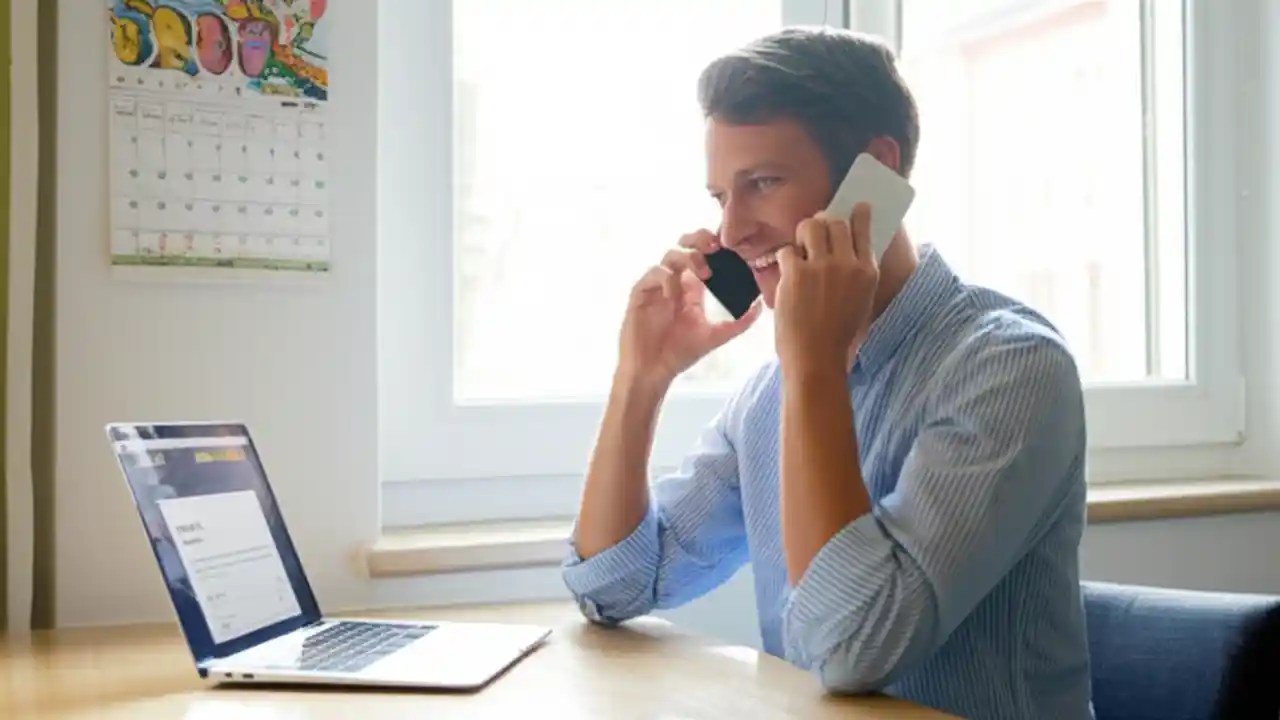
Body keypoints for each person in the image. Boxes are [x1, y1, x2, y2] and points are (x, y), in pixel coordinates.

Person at [561, 26, 1092, 720]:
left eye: (763, 184)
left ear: (875, 175)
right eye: (721, 196)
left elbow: (851, 649)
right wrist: (641, 378)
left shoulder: (1010, 368)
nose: (733, 232)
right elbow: (612, 585)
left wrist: (813, 365)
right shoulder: (770, 396)